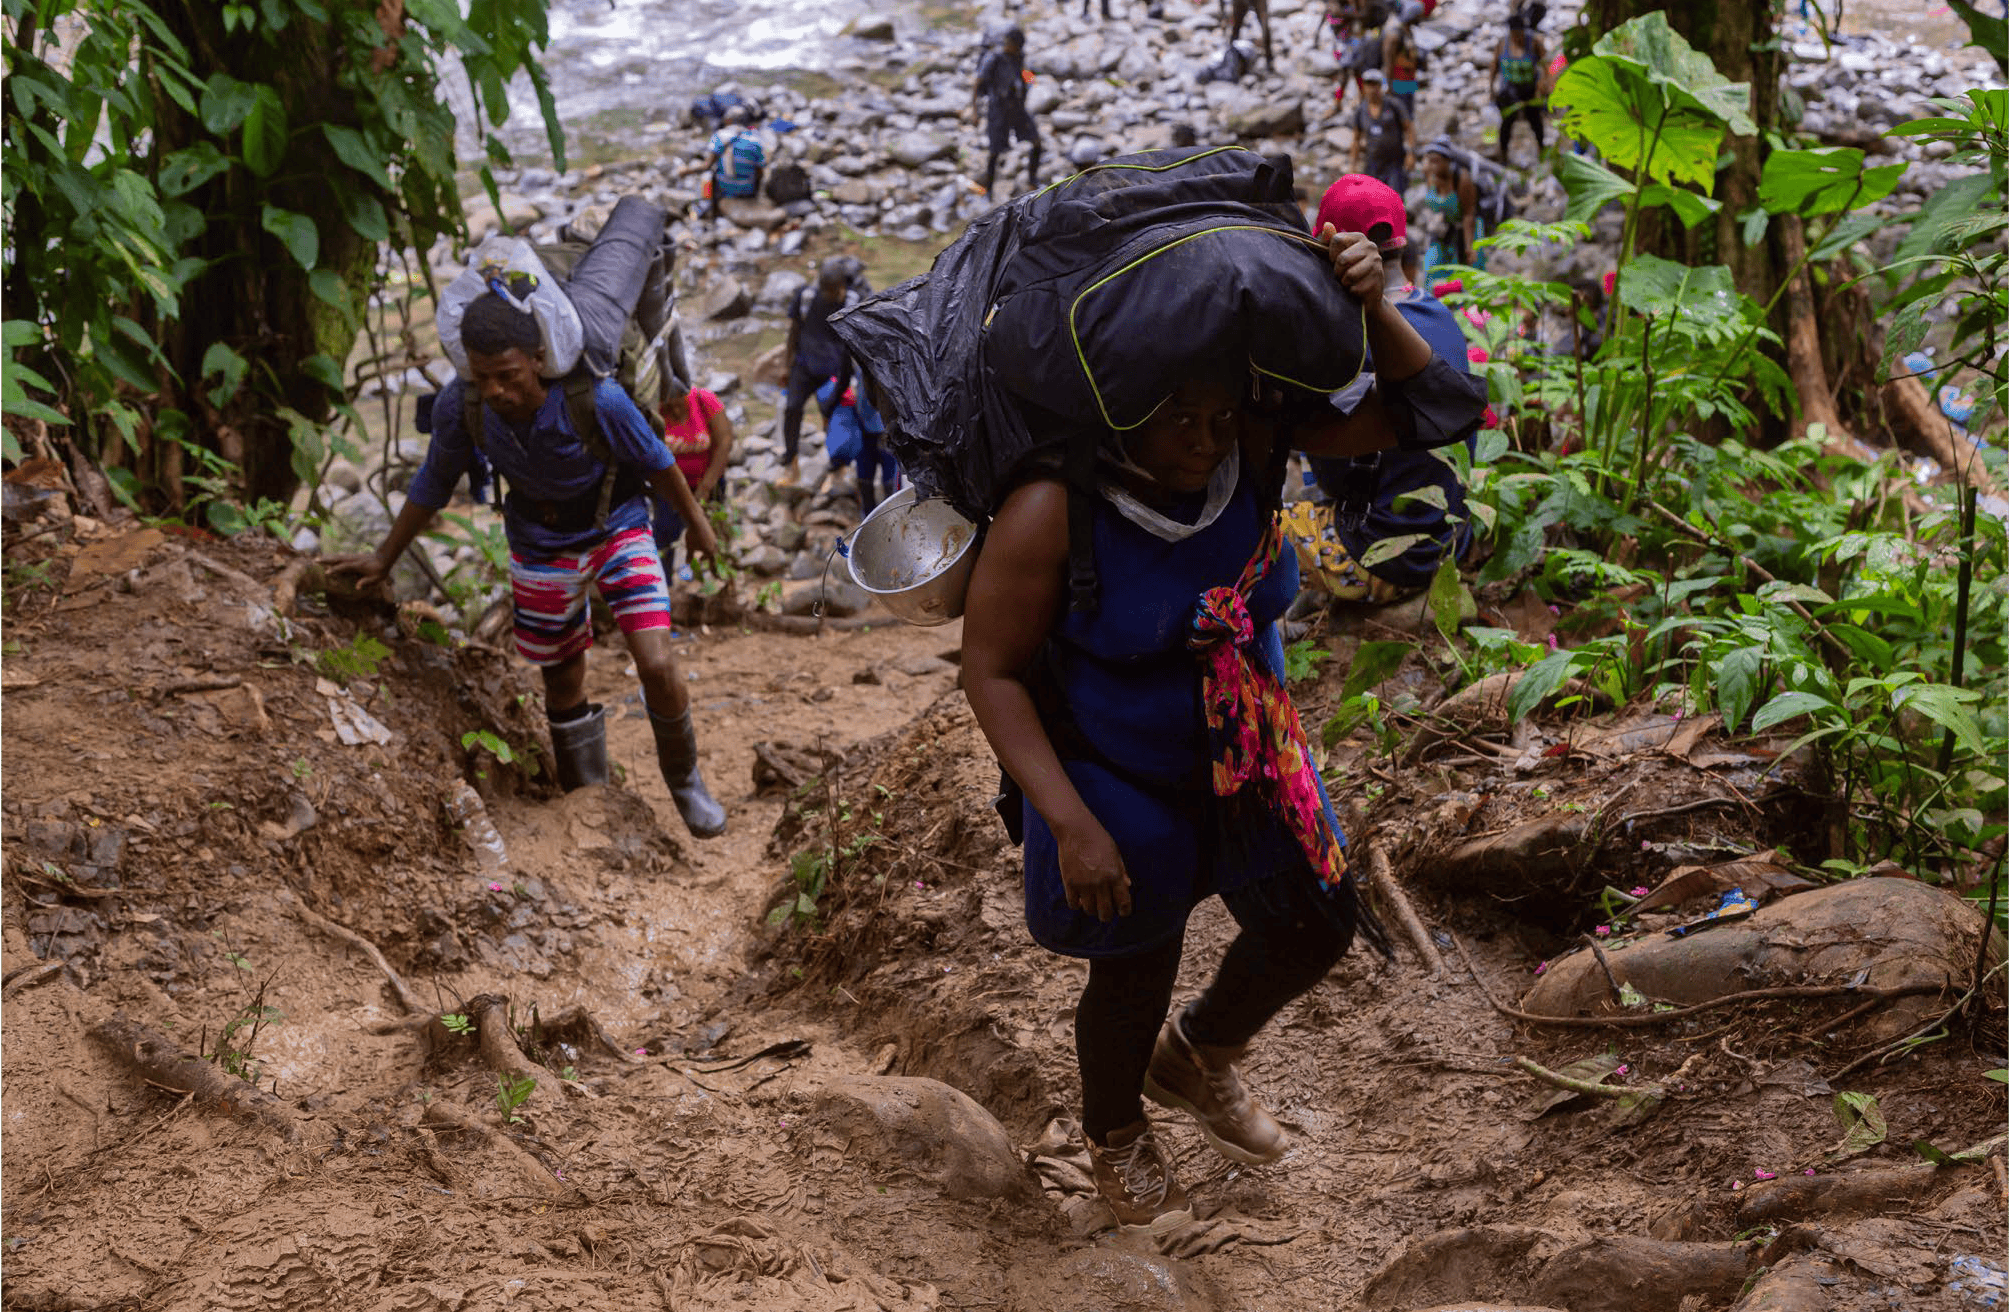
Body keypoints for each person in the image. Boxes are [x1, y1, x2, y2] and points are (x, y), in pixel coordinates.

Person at [959, 226, 1479, 1235]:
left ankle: (1197, 1056)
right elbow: (990, 672)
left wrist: (1374, 305)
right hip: (1116, 758)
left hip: (1247, 739)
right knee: (1137, 948)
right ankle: (1115, 1133)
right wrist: (1069, 822)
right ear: (1119, 419)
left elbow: (1437, 408)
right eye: (1179, 422)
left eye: (1217, 414)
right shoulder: (1051, 511)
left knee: (1317, 922)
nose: (1204, 440)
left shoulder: (1255, 441)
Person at [324, 294, 730, 839]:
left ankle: (685, 782)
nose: (496, 390)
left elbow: (658, 464)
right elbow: (433, 484)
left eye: (508, 375)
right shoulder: (462, 406)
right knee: (562, 678)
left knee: (656, 663)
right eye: (483, 375)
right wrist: (383, 557)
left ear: (539, 358)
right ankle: (586, 798)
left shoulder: (599, 400)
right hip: (540, 543)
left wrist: (699, 526)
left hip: (619, 528)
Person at [1284, 176, 1480, 604]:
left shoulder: (1353, 343)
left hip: (1389, 557)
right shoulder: (1438, 312)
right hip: (1449, 545)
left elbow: (1331, 470)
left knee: (1267, 521)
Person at [781, 258, 857, 487]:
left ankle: (837, 466)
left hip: (834, 372)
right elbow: (794, 330)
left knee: (835, 416)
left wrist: (852, 380)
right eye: (826, 290)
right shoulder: (806, 297)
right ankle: (790, 458)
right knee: (792, 408)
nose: (829, 295)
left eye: (833, 291)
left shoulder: (852, 303)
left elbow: (855, 345)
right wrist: (787, 364)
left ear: (843, 285)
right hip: (804, 366)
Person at [651, 377, 735, 564]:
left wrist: (705, 488)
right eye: (668, 406)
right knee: (665, 532)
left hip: (708, 480)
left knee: (715, 528)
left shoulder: (705, 401)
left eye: (677, 404)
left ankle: (721, 575)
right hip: (670, 485)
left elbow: (725, 442)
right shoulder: (655, 411)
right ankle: (665, 583)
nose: (674, 411)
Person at [972, 26, 1043, 200]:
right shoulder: (993, 58)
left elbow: (1023, 74)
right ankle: (988, 190)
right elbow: (977, 83)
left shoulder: (1018, 56)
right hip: (998, 109)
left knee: (1036, 142)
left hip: (1017, 106)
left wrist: (1030, 81)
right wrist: (974, 111)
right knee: (995, 150)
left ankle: (1032, 179)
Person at [818, 375, 902, 515]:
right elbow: (843, 380)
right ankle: (872, 520)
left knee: (887, 477)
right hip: (867, 425)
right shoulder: (853, 358)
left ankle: (894, 516)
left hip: (883, 425)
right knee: (866, 476)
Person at [1494, 4, 1547, 165]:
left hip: (1530, 89)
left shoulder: (1534, 43)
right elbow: (1493, 65)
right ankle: (1503, 153)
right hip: (1510, 89)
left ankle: (1541, 150)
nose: (1518, 37)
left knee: (1535, 121)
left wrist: (1543, 85)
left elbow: (1548, 64)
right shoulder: (1503, 44)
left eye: (1520, 33)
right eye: (1515, 34)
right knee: (1506, 122)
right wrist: (1490, 89)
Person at [1349, 69, 1414, 196]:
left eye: (1375, 84)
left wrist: (1410, 153)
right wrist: (1353, 166)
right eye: (1369, 85)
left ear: (1381, 86)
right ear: (1364, 87)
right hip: (1372, 164)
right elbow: (1356, 140)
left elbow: (1409, 129)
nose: (1372, 89)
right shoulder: (1360, 111)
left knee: (1394, 197)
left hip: (1394, 163)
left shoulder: (1394, 105)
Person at [1419, 141, 1481, 270]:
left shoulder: (1462, 180)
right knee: (1432, 268)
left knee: (1469, 270)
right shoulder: (1430, 175)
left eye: (1436, 161)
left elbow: (1469, 215)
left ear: (1447, 162)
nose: (1432, 165)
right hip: (1443, 230)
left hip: (1466, 228)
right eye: (1430, 161)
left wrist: (1469, 246)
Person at [704, 106, 767, 221]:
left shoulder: (719, 135)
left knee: (707, 176)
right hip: (748, 190)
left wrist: (685, 171)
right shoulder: (756, 139)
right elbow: (761, 171)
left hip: (725, 190)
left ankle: (709, 211)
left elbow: (706, 165)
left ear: (728, 120)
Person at [1380, 3, 1421, 115]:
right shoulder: (1394, 35)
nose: (1420, 17)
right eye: (1418, 15)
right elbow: (1388, 61)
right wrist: (1387, 86)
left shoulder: (1409, 32)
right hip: (1397, 82)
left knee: (1409, 114)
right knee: (1400, 115)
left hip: (1409, 81)